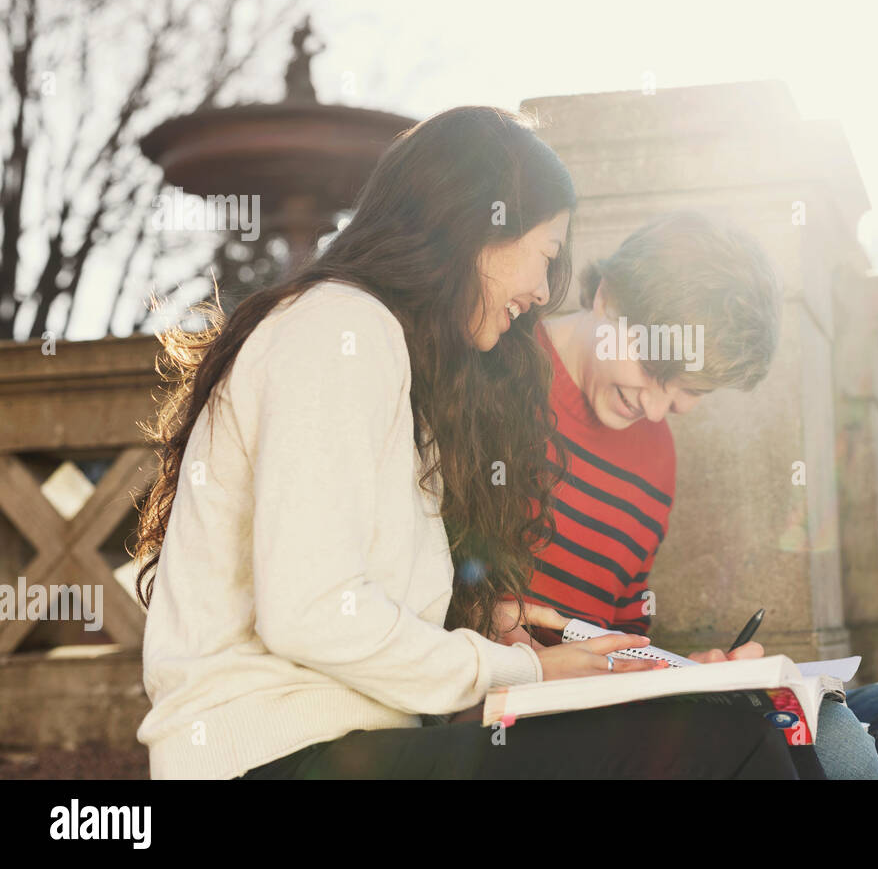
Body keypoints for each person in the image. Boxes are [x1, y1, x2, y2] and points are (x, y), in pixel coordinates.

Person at [131, 106, 820, 780]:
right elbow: (312, 613)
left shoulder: (387, 357)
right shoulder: (340, 329)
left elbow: (341, 590)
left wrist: (487, 620)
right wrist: (522, 665)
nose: (546, 288)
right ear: (479, 227)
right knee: (722, 746)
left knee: (740, 739)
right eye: (546, 254)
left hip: (348, 745)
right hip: (274, 755)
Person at [519, 210, 878, 779]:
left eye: (685, 393)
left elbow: (623, 633)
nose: (652, 410)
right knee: (841, 747)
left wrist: (688, 675)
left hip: (618, 716)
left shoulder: (657, 453)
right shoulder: (501, 381)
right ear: (606, 296)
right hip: (528, 726)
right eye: (650, 372)